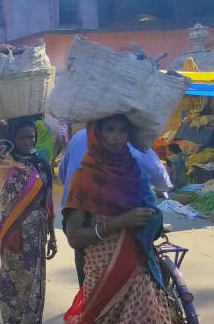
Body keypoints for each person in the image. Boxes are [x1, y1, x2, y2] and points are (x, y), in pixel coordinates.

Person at [62, 115, 169, 324]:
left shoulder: (134, 172)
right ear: (97, 134)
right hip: (104, 273)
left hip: (138, 268)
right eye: (110, 130)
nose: (117, 137)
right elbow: (74, 238)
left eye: (123, 130)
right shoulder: (83, 178)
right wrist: (120, 222)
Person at [0, 75, 57, 324]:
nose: (28, 141)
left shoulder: (41, 163)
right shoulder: (7, 160)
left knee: (34, 287)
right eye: (22, 138)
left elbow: (48, 202)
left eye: (31, 137)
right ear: (13, 139)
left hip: (37, 235)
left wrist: (52, 236)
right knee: (13, 285)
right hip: (14, 232)